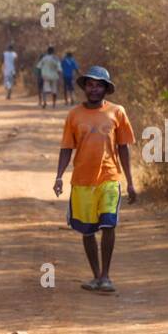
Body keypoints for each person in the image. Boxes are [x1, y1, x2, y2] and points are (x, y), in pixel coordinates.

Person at [52, 65, 137, 293]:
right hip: (82, 182)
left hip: (109, 178)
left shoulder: (117, 112)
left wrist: (130, 181)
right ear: (85, 88)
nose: (94, 89)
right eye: (90, 84)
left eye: (99, 85)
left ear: (106, 89)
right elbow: (66, 148)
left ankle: (106, 276)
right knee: (88, 231)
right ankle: (95, 276)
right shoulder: (74, 115)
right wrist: (59, 176)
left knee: (109, 224)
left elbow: (123, 148)